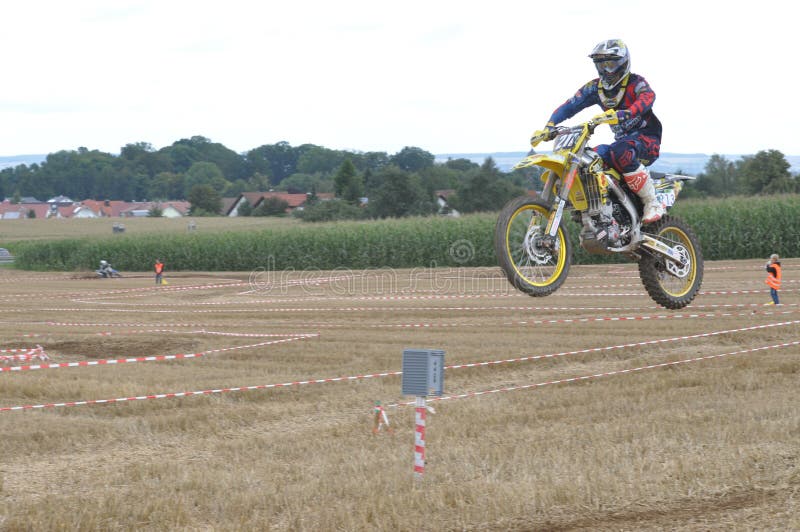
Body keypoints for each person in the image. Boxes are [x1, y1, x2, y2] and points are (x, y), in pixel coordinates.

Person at [534, 38, 665, 223]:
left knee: (621, 152)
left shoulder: (636, 83)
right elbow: (570, 105)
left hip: (647, 140)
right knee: (588, 160)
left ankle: (652, 203)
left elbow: (648, 98)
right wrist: (549, 125)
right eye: (601, 65)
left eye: (611, 64)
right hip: (621, 142)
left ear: (623, 63)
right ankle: (605, 211)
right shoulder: (595, 88)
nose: (606, 70)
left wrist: (625, 113)